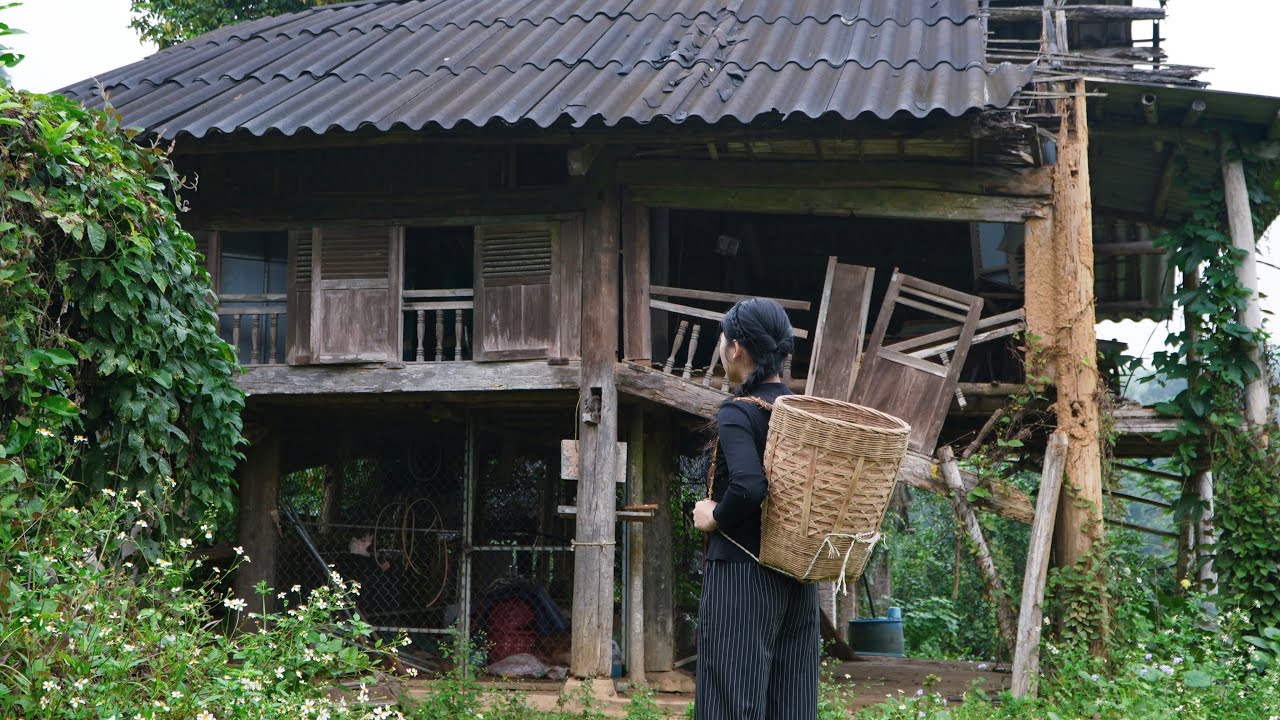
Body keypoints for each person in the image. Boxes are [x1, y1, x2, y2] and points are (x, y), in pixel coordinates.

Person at [691, 298, 820, 720]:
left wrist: (715, 516)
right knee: (792, 707)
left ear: (737, 349)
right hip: (797, 577)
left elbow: (748, 486)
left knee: (731, 702)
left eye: (723, 340)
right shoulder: (801, 413)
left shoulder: (738, 412)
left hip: (743, 578)